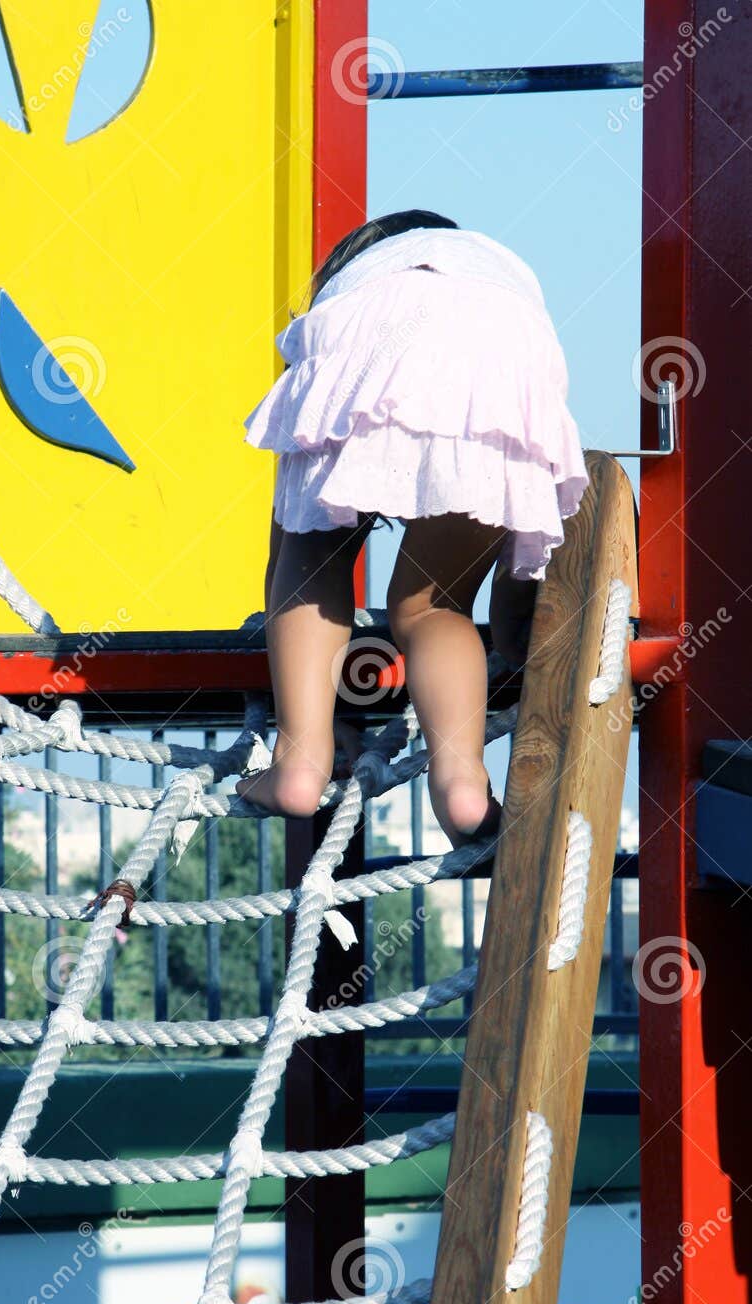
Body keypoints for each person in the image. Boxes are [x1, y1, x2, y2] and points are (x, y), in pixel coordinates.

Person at [236, 211, 587, 844]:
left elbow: (284, 553)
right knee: (433, 606)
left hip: (367, 338)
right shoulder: (494, 276)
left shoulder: (352, 293)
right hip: (503, 359)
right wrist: (512, 634)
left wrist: (307, 704)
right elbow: (516, 602)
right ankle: (461, 786)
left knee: (311, 561)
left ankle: (299, 762)